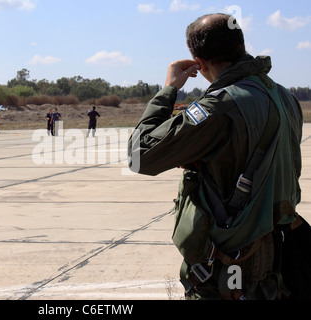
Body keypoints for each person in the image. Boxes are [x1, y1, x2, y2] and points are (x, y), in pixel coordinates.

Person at [128, 13, 303, 300]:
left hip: (226, 271)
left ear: (199, 60)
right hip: (271, 265)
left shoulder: (221, 106)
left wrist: (169, 89)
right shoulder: (284, 97)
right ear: (240, 45)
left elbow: (140, 154)